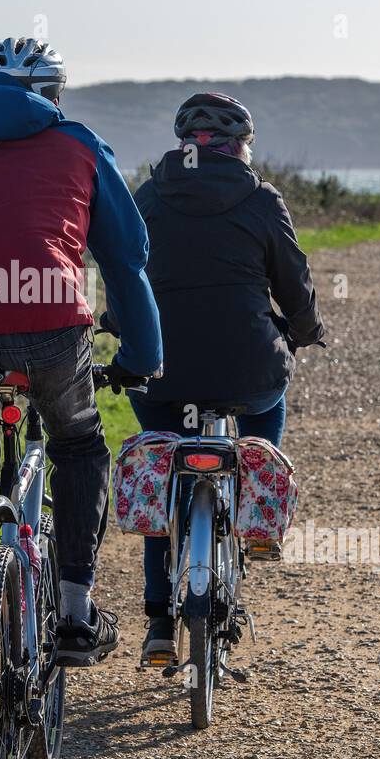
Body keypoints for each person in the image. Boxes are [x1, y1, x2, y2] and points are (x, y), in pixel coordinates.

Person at [0, 37, 162, 729]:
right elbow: (126, 256)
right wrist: (142, 351)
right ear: (51, 94)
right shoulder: (78, 142)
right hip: (49, 329)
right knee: (79, 444)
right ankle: (75, 609)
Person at [123, 92, 325, 663]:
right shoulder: (261, 198)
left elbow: (125, 272)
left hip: (160, 370)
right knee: (266, 404)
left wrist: (120, 326)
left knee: (165, 469)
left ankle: (160, 620)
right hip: (248, 369)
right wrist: (306, 330)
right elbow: (293, 281)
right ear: (241, 146)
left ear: (184, 144)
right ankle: (257, 512)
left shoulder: (148, 196)